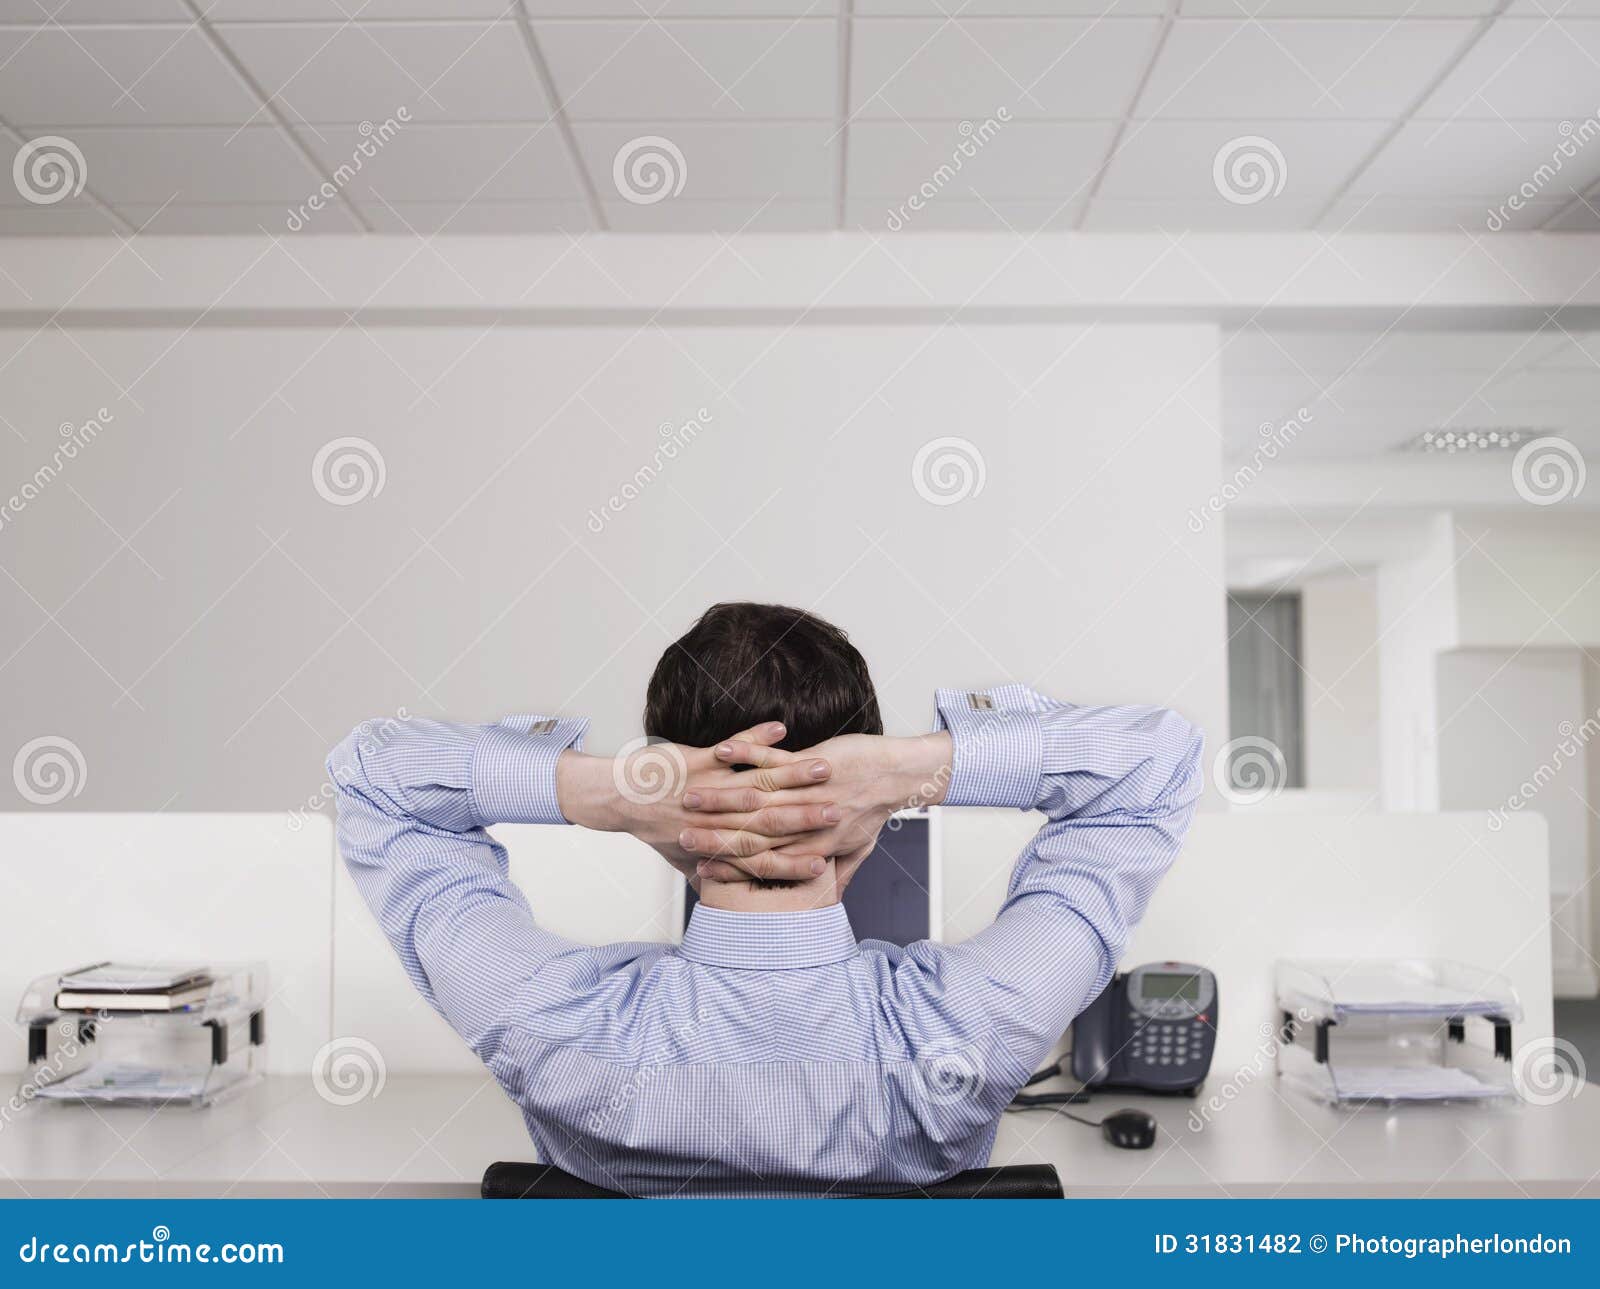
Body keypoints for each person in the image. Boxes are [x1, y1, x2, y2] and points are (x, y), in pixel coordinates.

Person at [328, 601, 1203, 1197]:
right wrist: (907, 768)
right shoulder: (975, 1026)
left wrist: (610, 789)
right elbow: (1154, 763)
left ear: (666, 805)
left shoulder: (553, 1026)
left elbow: (374, 781)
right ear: (866, 810)